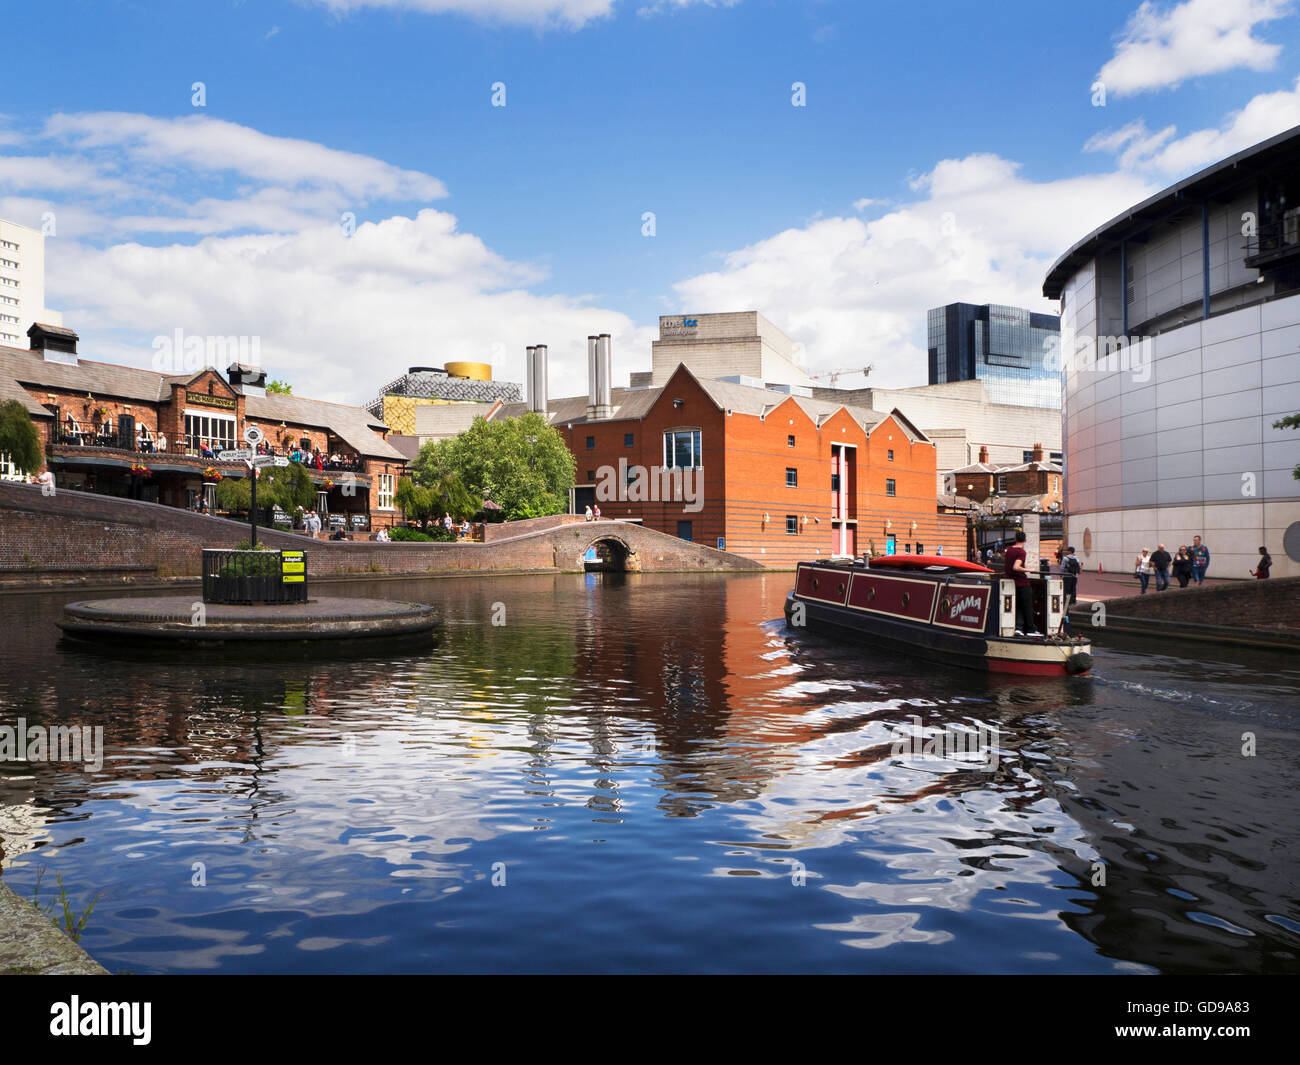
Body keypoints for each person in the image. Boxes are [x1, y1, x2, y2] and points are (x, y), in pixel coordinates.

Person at [1004, 530, 1038, 636]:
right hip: (1021, 583)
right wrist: (1029, 570)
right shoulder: (1021, 552)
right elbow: (1016, 567)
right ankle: (1031, 629)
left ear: (1014, 539)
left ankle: (1018, 627)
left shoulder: (1009, 550)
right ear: (1025, 540)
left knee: (1018, 605)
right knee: (1027, 606)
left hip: (1010, 582)